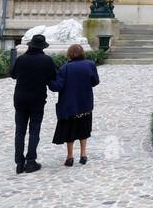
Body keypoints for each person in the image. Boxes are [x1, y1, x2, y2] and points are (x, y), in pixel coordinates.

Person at [9, 33, 57, 173]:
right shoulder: (47, 60)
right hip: (37, 99)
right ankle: (31, 161)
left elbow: (13, 75)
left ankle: (19, 162)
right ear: (42, 47)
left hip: (20, 98)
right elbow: (54, 77)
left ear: (30, 46)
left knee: (20, 131)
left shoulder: (21, 59)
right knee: (34, 130)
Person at [50, 44, 99, 166]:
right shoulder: (90, 65)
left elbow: (57, 87)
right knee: (84, 129)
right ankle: (83, 154)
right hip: (85, 103)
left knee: (70, 131)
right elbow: (95, 81)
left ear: (69, 54)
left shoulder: (65, 68)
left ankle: (70, 156)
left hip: (69, 105)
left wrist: (49, 80)